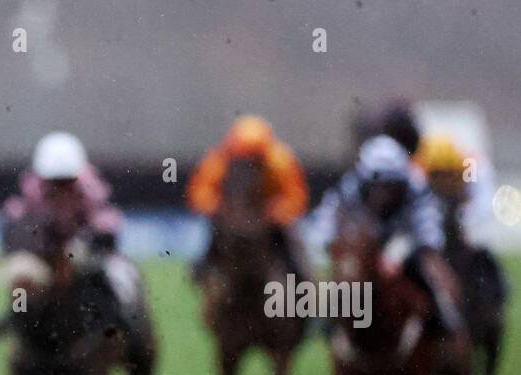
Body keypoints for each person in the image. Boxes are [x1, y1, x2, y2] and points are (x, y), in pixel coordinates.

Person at [0, 131, 141, 339]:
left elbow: (106, 222)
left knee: (118, 276)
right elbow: (15, 223)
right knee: (20, 274)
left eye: (65, 179)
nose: (60, 185)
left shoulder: (91, 190)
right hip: (44, 255)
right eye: (55, 180)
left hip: (83, 253)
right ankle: (17, 320)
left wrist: (88, 240)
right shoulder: (32, 192)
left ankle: (118, 319)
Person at [312, 135, 463, 337]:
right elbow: (329, 217)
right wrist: (332, 242)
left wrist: (421, 247)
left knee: (427, 274)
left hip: (404, 240)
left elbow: (427, 222)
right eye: (377, 185)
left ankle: (444, 317)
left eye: (389, 185)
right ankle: (328, 321)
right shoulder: (349, 187)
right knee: (345, 277)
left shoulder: (415, 186)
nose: (382, 193)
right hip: (365, 242)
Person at [187, 115, 310, 280]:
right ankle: (203, 271)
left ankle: (299, 279)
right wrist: (220, 208)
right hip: (230, 220)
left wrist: (275, 212)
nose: (248, 165)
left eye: (254, 158)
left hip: (269, 224)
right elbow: (200, 193)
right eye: (243, 157)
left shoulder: (281, 162)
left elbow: (296, 197)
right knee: (211, 243)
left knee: (290, 250)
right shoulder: (218, 160)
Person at [415, 133, 508, 308]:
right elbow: (423, 211)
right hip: (442, 226)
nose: (441, 181)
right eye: (436, 175)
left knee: (481, 254)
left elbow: (484, 205)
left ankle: (495, 300)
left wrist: (463, 222)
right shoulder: (420, 175)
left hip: (467, 225)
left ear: (455, 171)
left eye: (446, 174)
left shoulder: (474, 170)